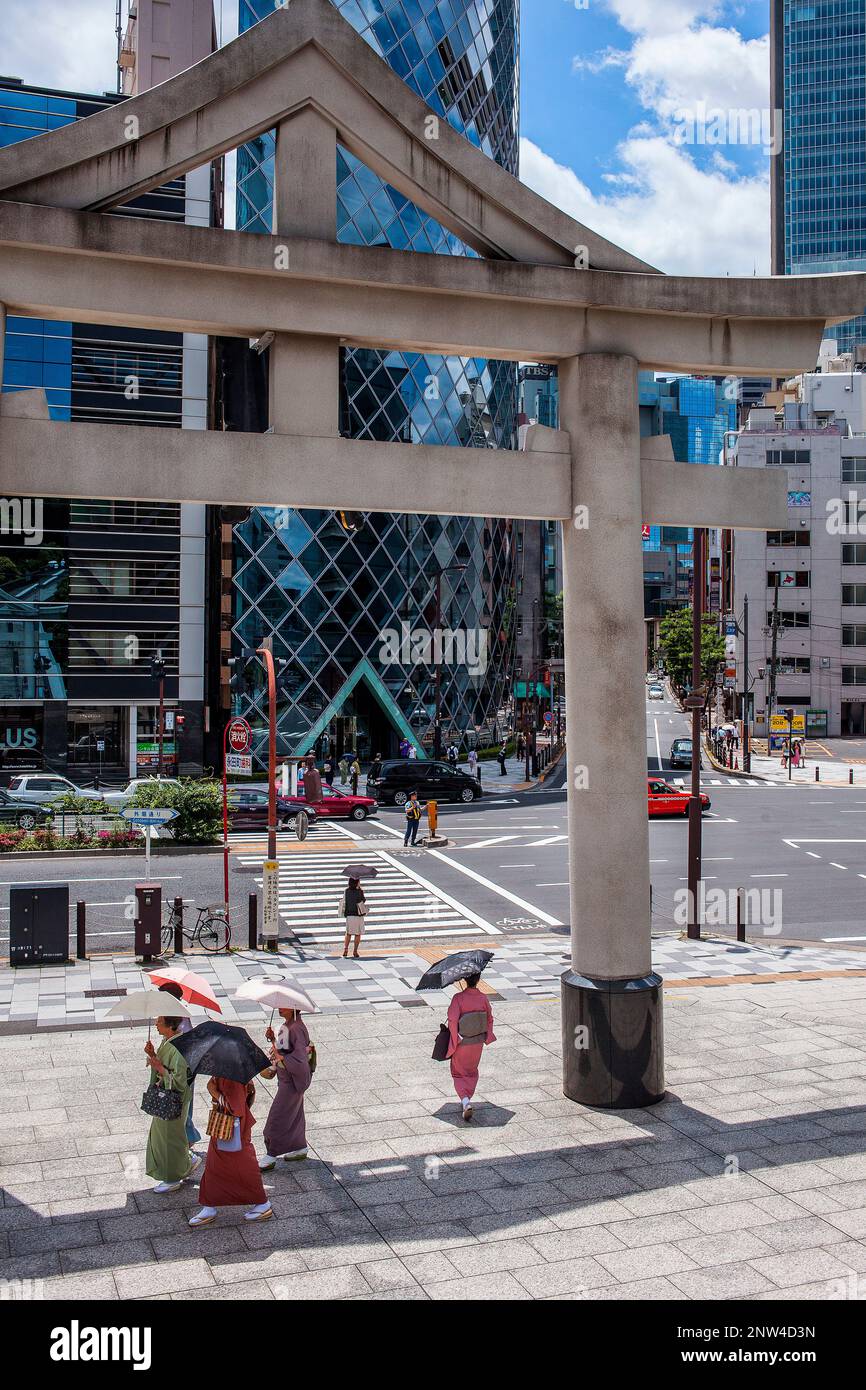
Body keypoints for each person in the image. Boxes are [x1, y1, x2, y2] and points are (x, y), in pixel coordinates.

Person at [189, 1076, 272, 1227]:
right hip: (225, 1125)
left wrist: (214, 1092)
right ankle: (209, 1205)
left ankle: (262, 1202)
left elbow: (235, 1107)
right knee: (216, 1165)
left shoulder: (230, 1077)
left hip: (232, 1128)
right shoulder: (228, 1071)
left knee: (243, 1166)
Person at [144, 1015, 199, 1194]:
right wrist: (153, 1055)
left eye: (159, 1022)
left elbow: (180, 1081)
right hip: (167, 1097)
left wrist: (159, 1068)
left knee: (169, 1139)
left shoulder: (179, 1047)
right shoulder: (169, 1041)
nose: (156, 1024)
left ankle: (173, 1178)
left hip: (174, 1099)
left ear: (169, 1025)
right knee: (167, 1137)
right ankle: (186, 1161)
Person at [259, 1008, 312, 1168]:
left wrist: (282, 1057)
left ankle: (271, 1154)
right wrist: (273, 1039)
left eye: (285, 1005)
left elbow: (299, 1059)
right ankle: (299, 1146)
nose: (281, 1008)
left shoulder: (295, 1028)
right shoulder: (287, 1026)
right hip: (287, 1079)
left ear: (294, 1007)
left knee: (277, 1117)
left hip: (291, 1082)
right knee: (295, 1114)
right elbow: (281, 1050)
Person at [157, 981, 202, 1155]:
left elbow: (183, 1044)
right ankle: (188, 1137)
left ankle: (188, 1139)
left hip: (184, 1068)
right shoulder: (173, 1015)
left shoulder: (180, 1019)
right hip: (179, 1066)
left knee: (183, 1103)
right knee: (182, 1103)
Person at [446, 974, 496, 1122]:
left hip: (462, 1042)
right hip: (477, 1042)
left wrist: (456, 1039)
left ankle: (465, 1100)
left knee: (458, 1072)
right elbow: (489, 1018)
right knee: (471, 1071)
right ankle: (467, 1098)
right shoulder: (483, 998)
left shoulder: (458, 998)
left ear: (464, 979)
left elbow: (453, 1020)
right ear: (478, 979)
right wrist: (486, 1035)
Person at [341, 875, 367, 958]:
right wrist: (360, 890)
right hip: (358, 914)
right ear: (357, 883)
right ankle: (355, 951)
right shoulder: (359, 891)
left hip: (349, 915)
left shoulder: (346, 891)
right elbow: (363, 901)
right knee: (357, 934)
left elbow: (345, 901)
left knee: (348, 933)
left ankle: (345, 949)